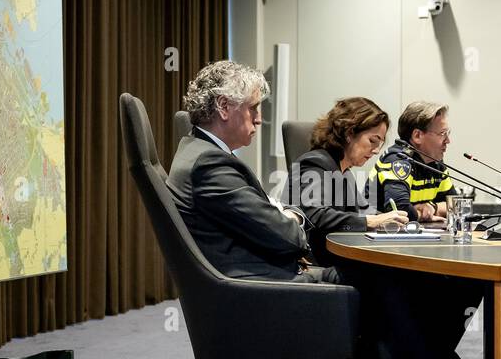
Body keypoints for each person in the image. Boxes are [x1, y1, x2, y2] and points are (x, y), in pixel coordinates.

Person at [168, 60, 335, 283]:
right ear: (224, 107)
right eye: (253, 108)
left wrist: (280, 216)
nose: (258, 119)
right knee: (372, 278)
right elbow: (288, 238)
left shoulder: (195, 148)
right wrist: (293, 217)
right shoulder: (209, 165)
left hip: (248, 275)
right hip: (256, 287)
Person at [291, 97, 407, 268]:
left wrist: (391, 219)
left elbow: (362, 210)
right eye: (372, 141)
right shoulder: (316, 163)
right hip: (319, 264)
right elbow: (314, 214)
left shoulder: (344, 171)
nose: (376, 150)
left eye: (380, 144)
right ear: (349, 133)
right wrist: (371, 221)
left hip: (341, 257)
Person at [371, 102, 457, 223]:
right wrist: (421, 214)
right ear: (417, 136)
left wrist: (432, 207)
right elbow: (399, 209)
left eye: (448, 133)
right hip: (378, 236)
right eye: (442, 134)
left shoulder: (436, 164)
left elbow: (456, 205)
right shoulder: (397, 160)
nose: (448, 141)